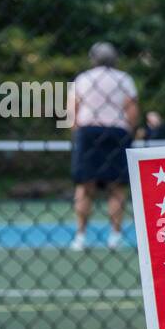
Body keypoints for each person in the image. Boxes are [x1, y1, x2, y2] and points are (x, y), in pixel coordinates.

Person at [67, 42, 137, 250]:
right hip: (117, 132)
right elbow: (131, 109)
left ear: (92, 58)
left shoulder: (83, 79)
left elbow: (73, 110)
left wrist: (77, 132)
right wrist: (128, 132)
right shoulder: (124, 79)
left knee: (84, 187)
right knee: (117, 188)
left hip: (88, 131)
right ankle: (115, 237)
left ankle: (80, 237)